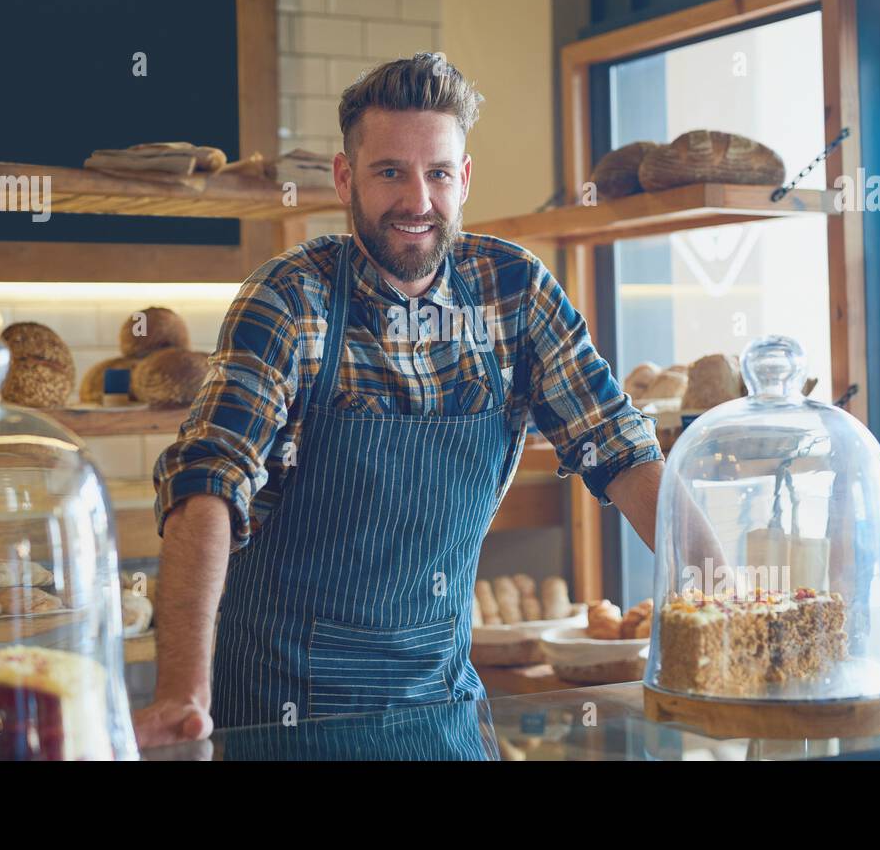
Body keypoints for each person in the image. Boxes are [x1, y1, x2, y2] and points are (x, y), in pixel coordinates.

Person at [134, 52, 681, 749]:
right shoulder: (290, 298)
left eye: (438, 173)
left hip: (438, 706)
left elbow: (625, 452)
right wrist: (183, 694)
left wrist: (727, 604)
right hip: (286, 711)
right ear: (344, 178)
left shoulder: (513, 290)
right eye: (390, 171)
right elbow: (209, 483)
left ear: (464, 180)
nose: (417, 200)